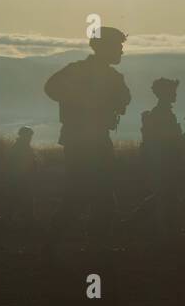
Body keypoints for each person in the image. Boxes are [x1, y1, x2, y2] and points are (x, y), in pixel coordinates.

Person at [43, 27, 131, 245]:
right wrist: (84, 100)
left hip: (94, 139)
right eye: (118, 47)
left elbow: (123, 101)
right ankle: (61, 246)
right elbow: (51, 88)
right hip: (83, 141)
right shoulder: (80, 71)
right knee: (81, 194)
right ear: (104, 47)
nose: (121, 51)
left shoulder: (111, 76)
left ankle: (84, 246)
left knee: (95, 196)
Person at [140, 77, 181, 235]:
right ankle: (165, 230)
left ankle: (166, 229)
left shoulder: (163, 112)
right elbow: (165, 141)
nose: (175, 95)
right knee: (166, 196)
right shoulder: (161, 114)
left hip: (164, 161)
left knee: (165, 195)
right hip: (164, 162)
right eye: (172, 91)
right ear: (164, 93)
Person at [3, 126, 38, 228]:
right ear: (24, 135)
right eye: (29, 135)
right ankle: (27, 220)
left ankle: (12, 220)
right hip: (20, 178)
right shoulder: (21, 147)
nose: (30, 137)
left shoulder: (20, 146)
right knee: (22, 199)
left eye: (30, 136)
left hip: (20, 178)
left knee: (17, 199)